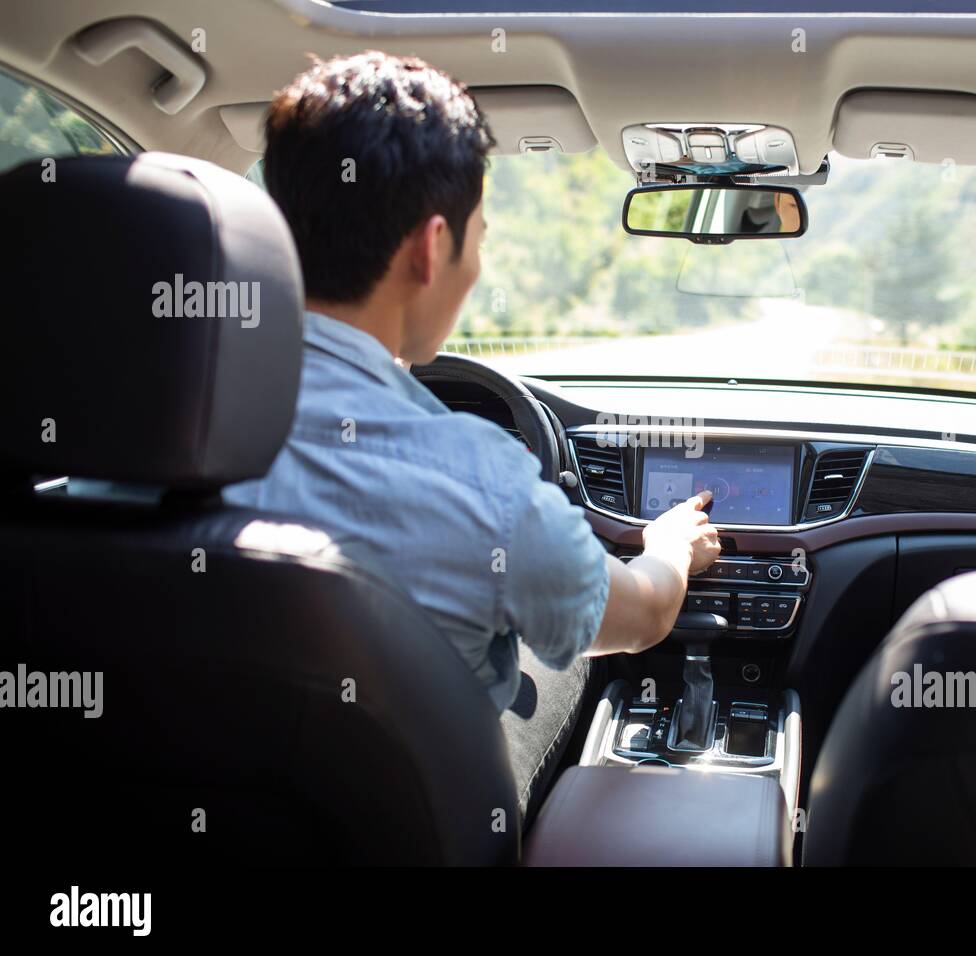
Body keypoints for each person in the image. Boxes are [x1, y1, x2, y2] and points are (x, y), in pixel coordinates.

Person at [225, 51, 720, 813]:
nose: (477, 265)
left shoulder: (137, 441)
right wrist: (666, 550)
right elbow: (644, 617)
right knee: (560, 653)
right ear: (430, 248)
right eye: (477, 238)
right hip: (400, 827)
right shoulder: (486, 485)